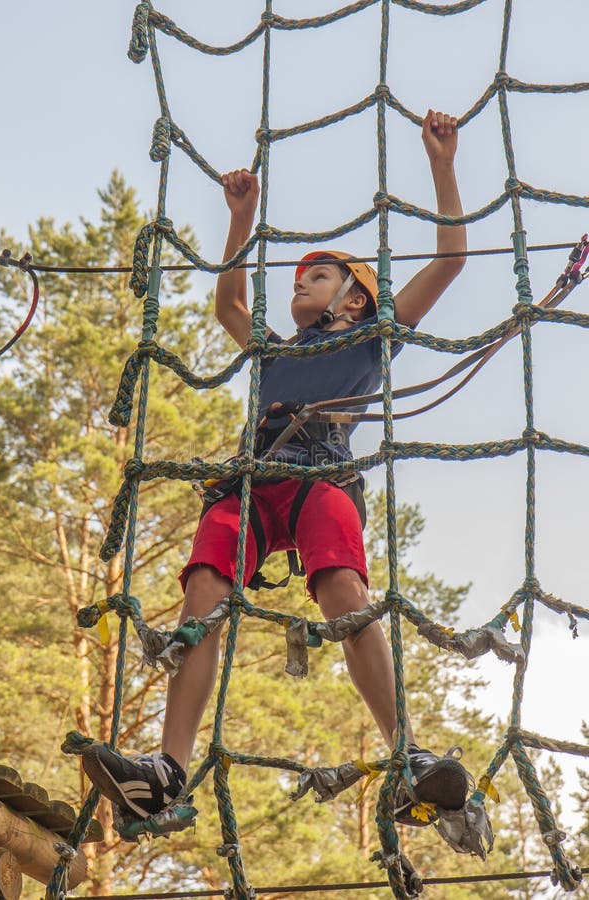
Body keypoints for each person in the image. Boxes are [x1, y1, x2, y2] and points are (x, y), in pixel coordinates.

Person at [82, 109, 470, 824]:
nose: (299, 284)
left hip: (322, 478)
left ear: (354, 298)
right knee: (203, 588)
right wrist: (242, 221)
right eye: (295, 277)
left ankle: (408, 753)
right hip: (254, 482)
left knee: (345, 592)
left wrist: (442, 166)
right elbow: (228, 299)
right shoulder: (270, 351)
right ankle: (169, 769)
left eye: (316, 276)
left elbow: (449, 261)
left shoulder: (371, 340)